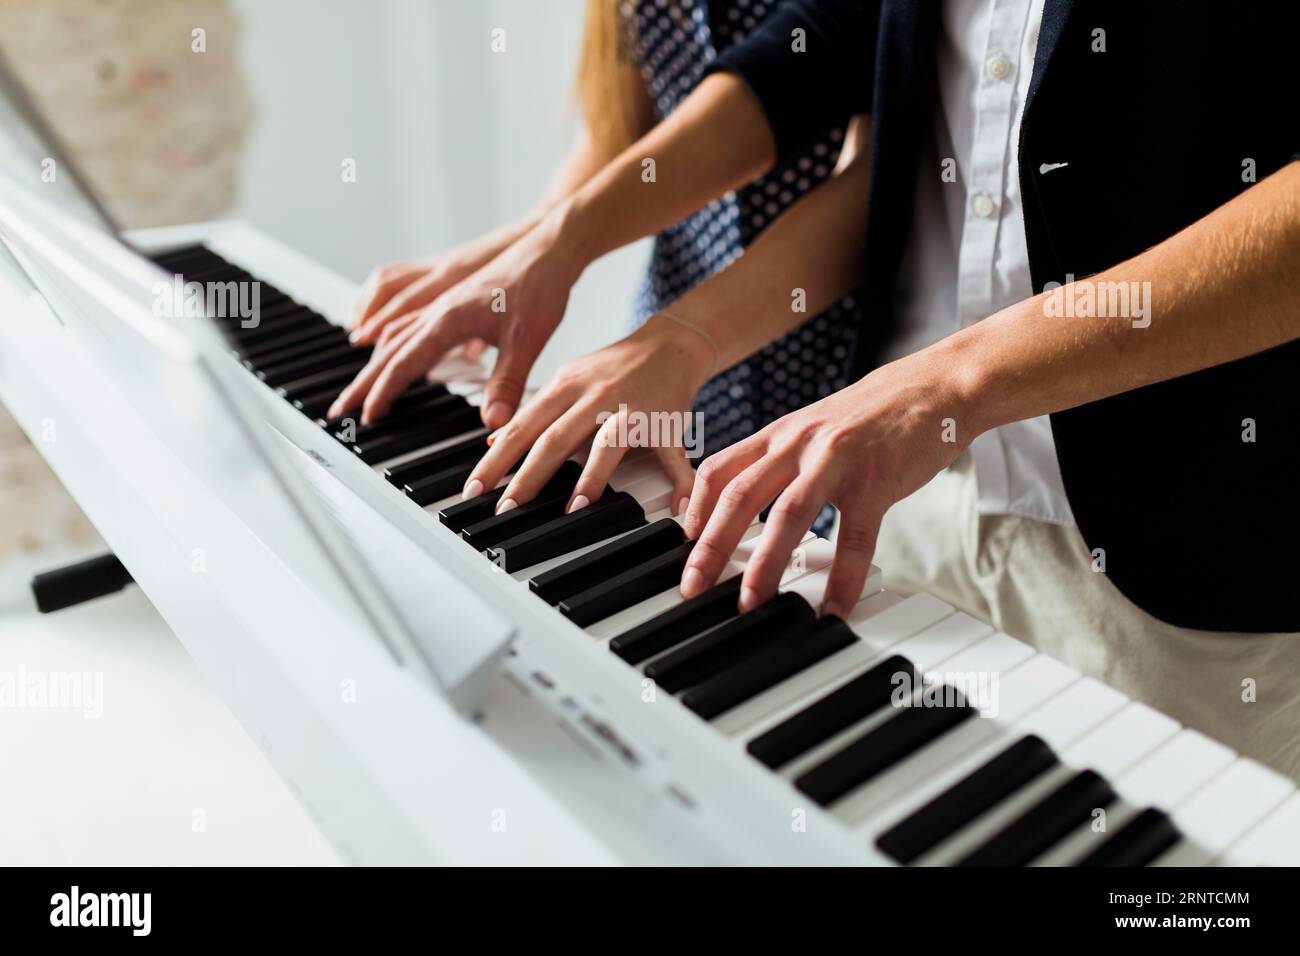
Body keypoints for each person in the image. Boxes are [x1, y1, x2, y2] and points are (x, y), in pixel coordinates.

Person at [343, 0, 1300, 775]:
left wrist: (956, 379)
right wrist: (646, 309)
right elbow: (846, 87)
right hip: (904, 503)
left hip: (1175, 544)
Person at [332, 0, 868, 533]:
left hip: (824, 354)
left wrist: (677, 336)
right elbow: (616, 132)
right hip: (661, 344)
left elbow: (859, 160)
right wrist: (515, 252)